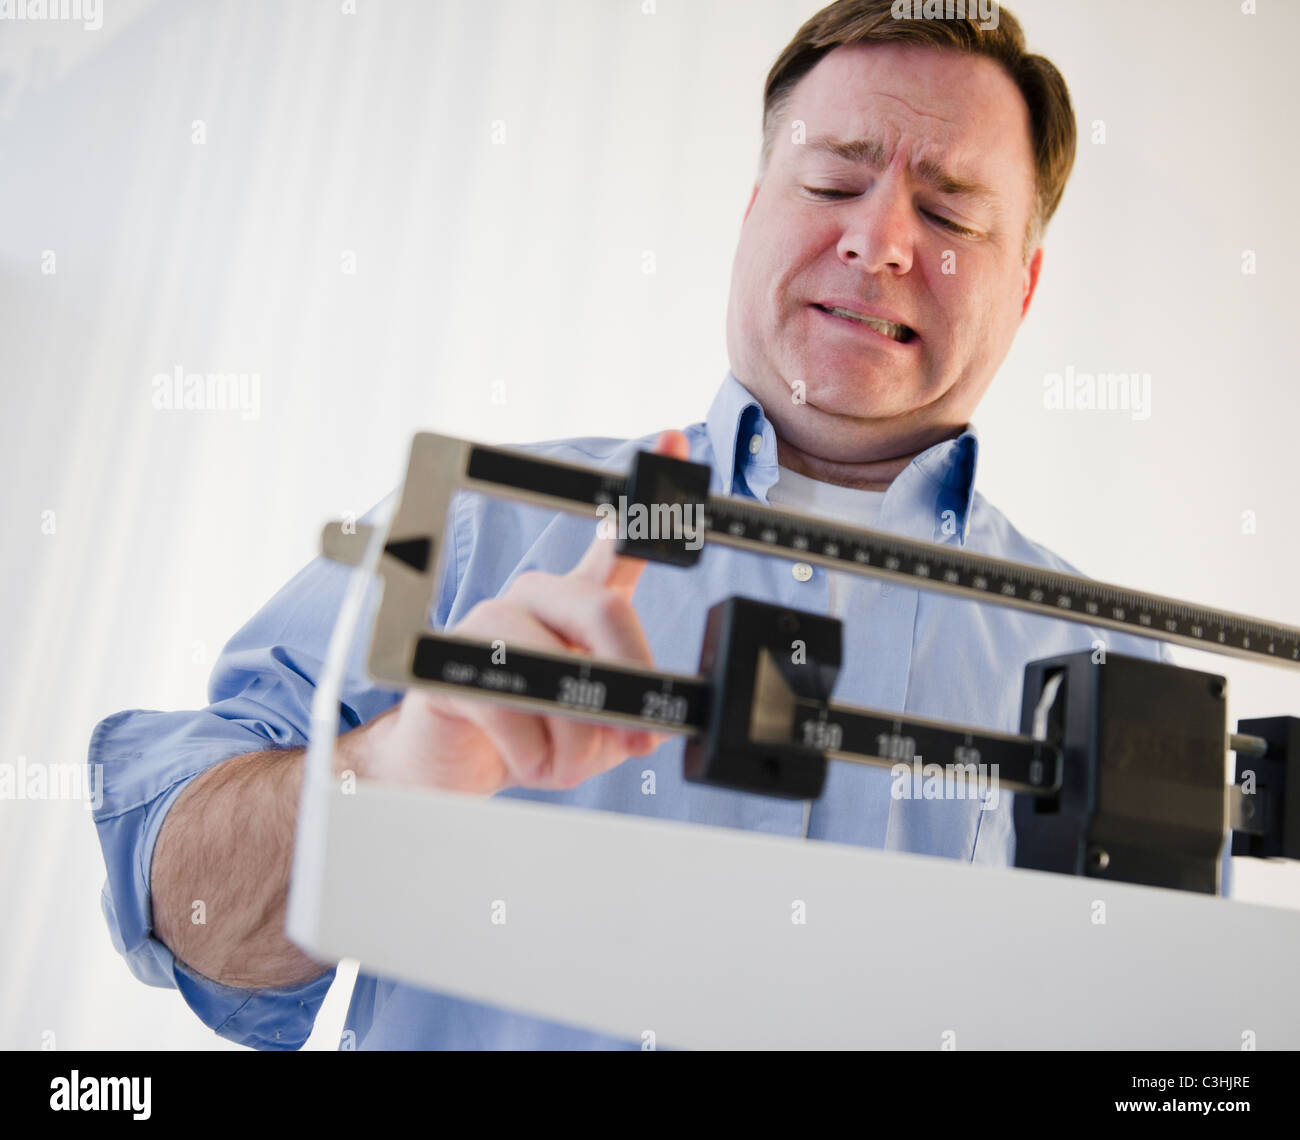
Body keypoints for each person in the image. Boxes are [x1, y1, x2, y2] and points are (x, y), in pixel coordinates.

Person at [88, 0, 1217, 1050]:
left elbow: (1172, 1055)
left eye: (949, 209)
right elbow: (181, 906)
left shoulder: (1122, 679)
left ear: (1021, 288)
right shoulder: (486, 527)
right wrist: (388, 776)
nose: (879, 242)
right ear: (752, 215)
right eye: (832, 183)